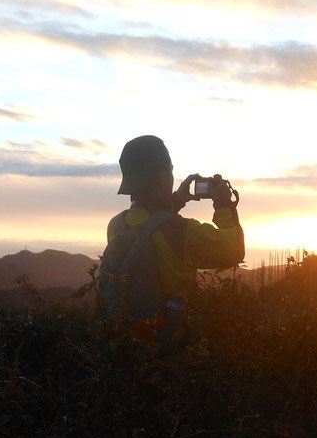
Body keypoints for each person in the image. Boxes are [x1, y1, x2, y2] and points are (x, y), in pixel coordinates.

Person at [103, 135, 244, 353]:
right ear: (162, 177)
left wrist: (177, 199)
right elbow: (234, 250)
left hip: (128, 346)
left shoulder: (116, 226)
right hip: (169, 353)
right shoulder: (182, 232)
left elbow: (151, 225)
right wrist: (224, 205)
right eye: (170, 170)